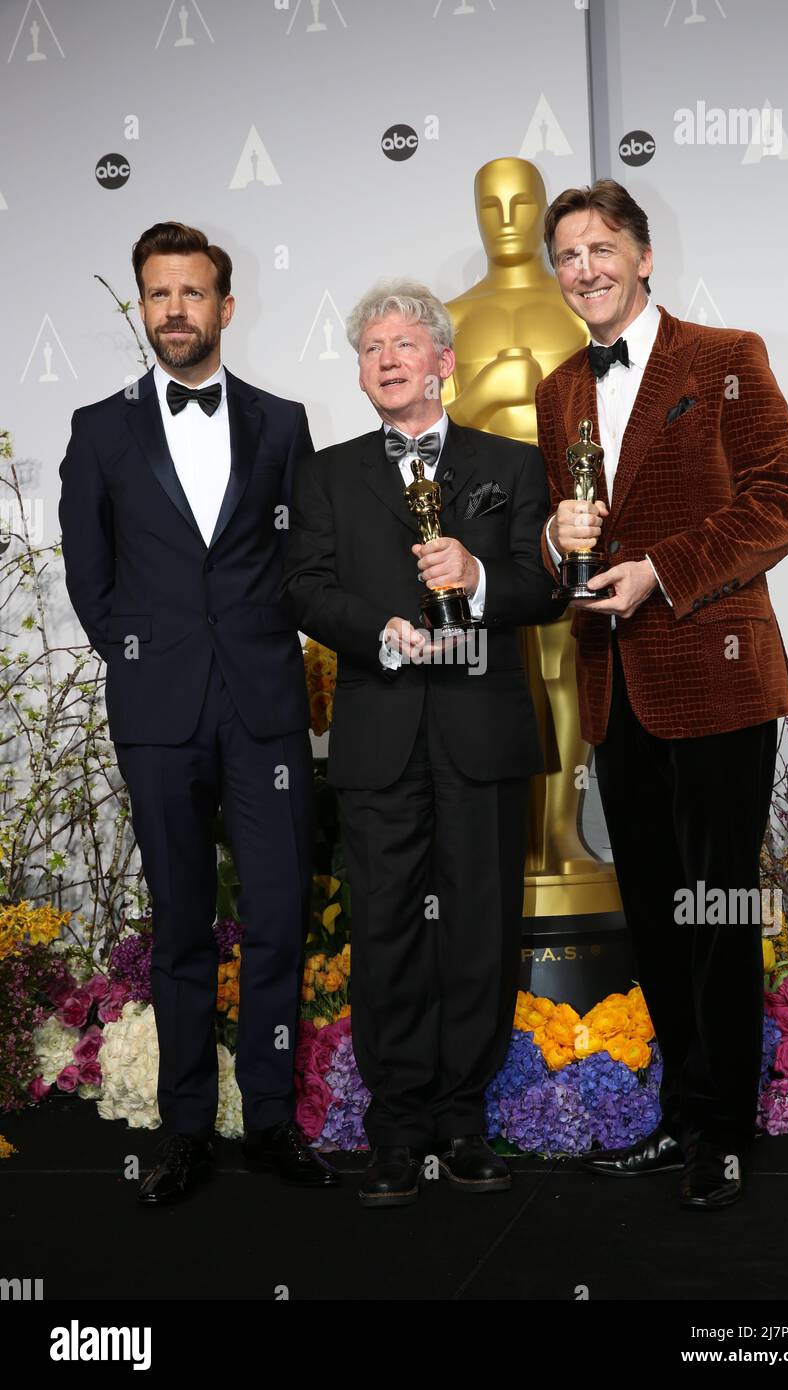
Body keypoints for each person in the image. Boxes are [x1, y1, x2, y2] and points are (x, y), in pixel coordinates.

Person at [536, 181, 788, 1209]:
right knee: (652, 912)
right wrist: (549, 541)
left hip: (717, 677)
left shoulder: (723, 357)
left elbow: (782, 501)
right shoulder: (558, 385)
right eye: (567, 255)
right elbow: (565, 523)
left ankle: (723, 1131)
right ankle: (682, 1112)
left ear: (642, 257)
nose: (584, 269)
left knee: (717, 906)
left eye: (601, 248)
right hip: (615, 685)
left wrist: (659, 569)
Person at [59, 221, 337, 1203]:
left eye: (191, 292)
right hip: (159, 712)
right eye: (157, 294)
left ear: (225, 303)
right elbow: (91, 582)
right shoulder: (99, 430)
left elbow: (300, 564)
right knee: (180, 923)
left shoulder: (280, 420)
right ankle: (187, 1128)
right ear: (144, 306)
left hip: (262, 711)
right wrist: (146, 663)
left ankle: (268, 1119)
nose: (174, 310)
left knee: (274, 918)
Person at [283, 279, 565, 1206]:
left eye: (406, 343)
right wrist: (379, 633)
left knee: (480, 928)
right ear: (361, 373)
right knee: (389, 926)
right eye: (371, 349)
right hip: (379, 736)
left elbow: (544, 588)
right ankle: (397, 1127)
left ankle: (463, 1119)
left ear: (445, 361)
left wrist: (478, 574)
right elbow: (308, 589)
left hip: (483, 732)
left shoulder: (512, 465)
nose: (389, 359)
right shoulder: (326, 473)